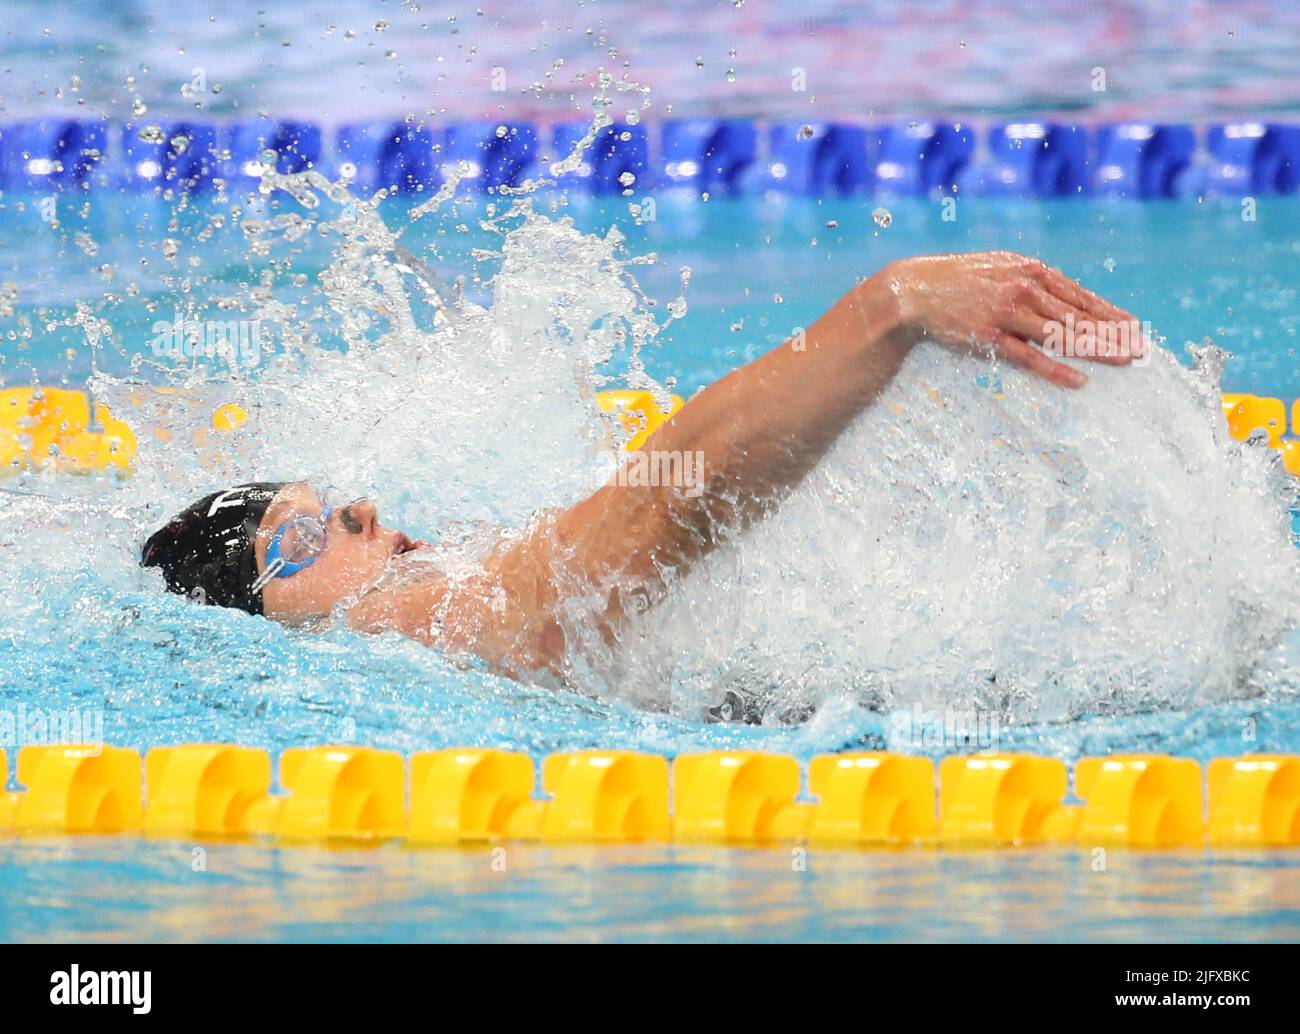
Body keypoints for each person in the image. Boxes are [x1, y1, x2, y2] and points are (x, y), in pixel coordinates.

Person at [142, 251, 1143, 685]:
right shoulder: (388, 622)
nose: (362, 508)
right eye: (307, 534)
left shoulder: (406, 621)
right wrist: (890, 308)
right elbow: (634, 531)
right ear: (261, 620)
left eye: (335, 501)